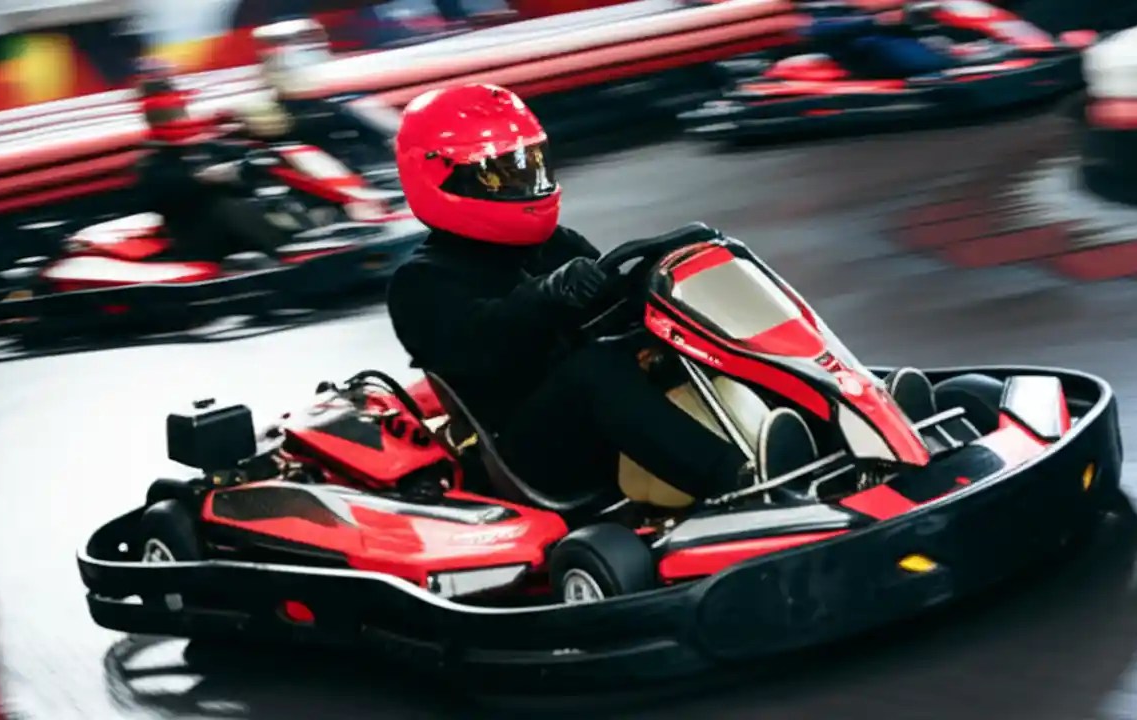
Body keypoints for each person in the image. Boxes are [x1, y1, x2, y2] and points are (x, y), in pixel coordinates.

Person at [385, 83, 796, 503]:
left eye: (531, 166)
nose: (528, 181)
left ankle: (823, 422)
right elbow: (482, 346)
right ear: (442, 176)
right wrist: (547, 296)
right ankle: (742, 483)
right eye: (502, 173)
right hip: (533, 458)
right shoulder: (420, 282)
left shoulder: (556, 244)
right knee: (593, 369)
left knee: (692, 333)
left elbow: (615, 310)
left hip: (610, 420)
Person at [133, 58, 289, 262]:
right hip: (199, 233)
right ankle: (282, 253)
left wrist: (255, 161)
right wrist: (202, 180)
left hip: (248, 216)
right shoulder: (153, 166)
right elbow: (163, 194)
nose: (176, 117)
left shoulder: (212, 148)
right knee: (226, 207)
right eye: (168, 114)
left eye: (178, 111)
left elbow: (245, 161)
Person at [233, 18, 399, 172]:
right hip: (314, 179)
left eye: (305, 40)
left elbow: (394, 130)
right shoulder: (265, 111)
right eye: (280, 43)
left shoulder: (351, 101)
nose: (293, 51)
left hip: (371, 168)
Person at [802, 0, 994, 78]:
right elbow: (815, 30)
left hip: (906, 32)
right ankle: (947, 59)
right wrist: (875, 21)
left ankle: (981, 46)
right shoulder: (818, 7)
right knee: (880, 44)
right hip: (861, 49)